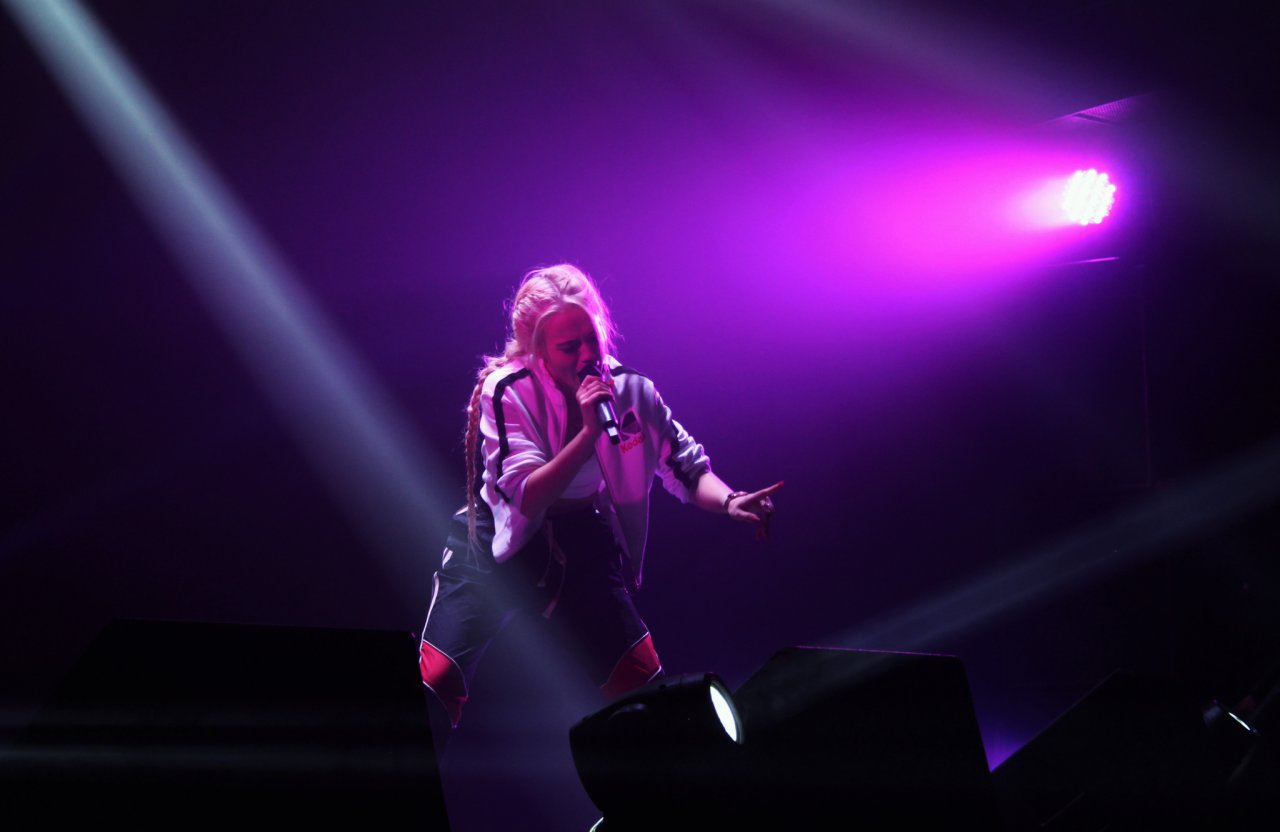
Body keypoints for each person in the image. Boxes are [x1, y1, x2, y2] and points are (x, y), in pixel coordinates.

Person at [418, 264, 781, 741]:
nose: (588, 355)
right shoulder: (507, 389)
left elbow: (686, 467)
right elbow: (526, 494)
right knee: (435, 681)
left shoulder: (630, 391)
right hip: (496, 539)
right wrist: (590, 433)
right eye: (569, 347)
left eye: (592, 338)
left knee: (642, 686)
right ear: (538, 351)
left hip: (581, 539)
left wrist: (730, 500)